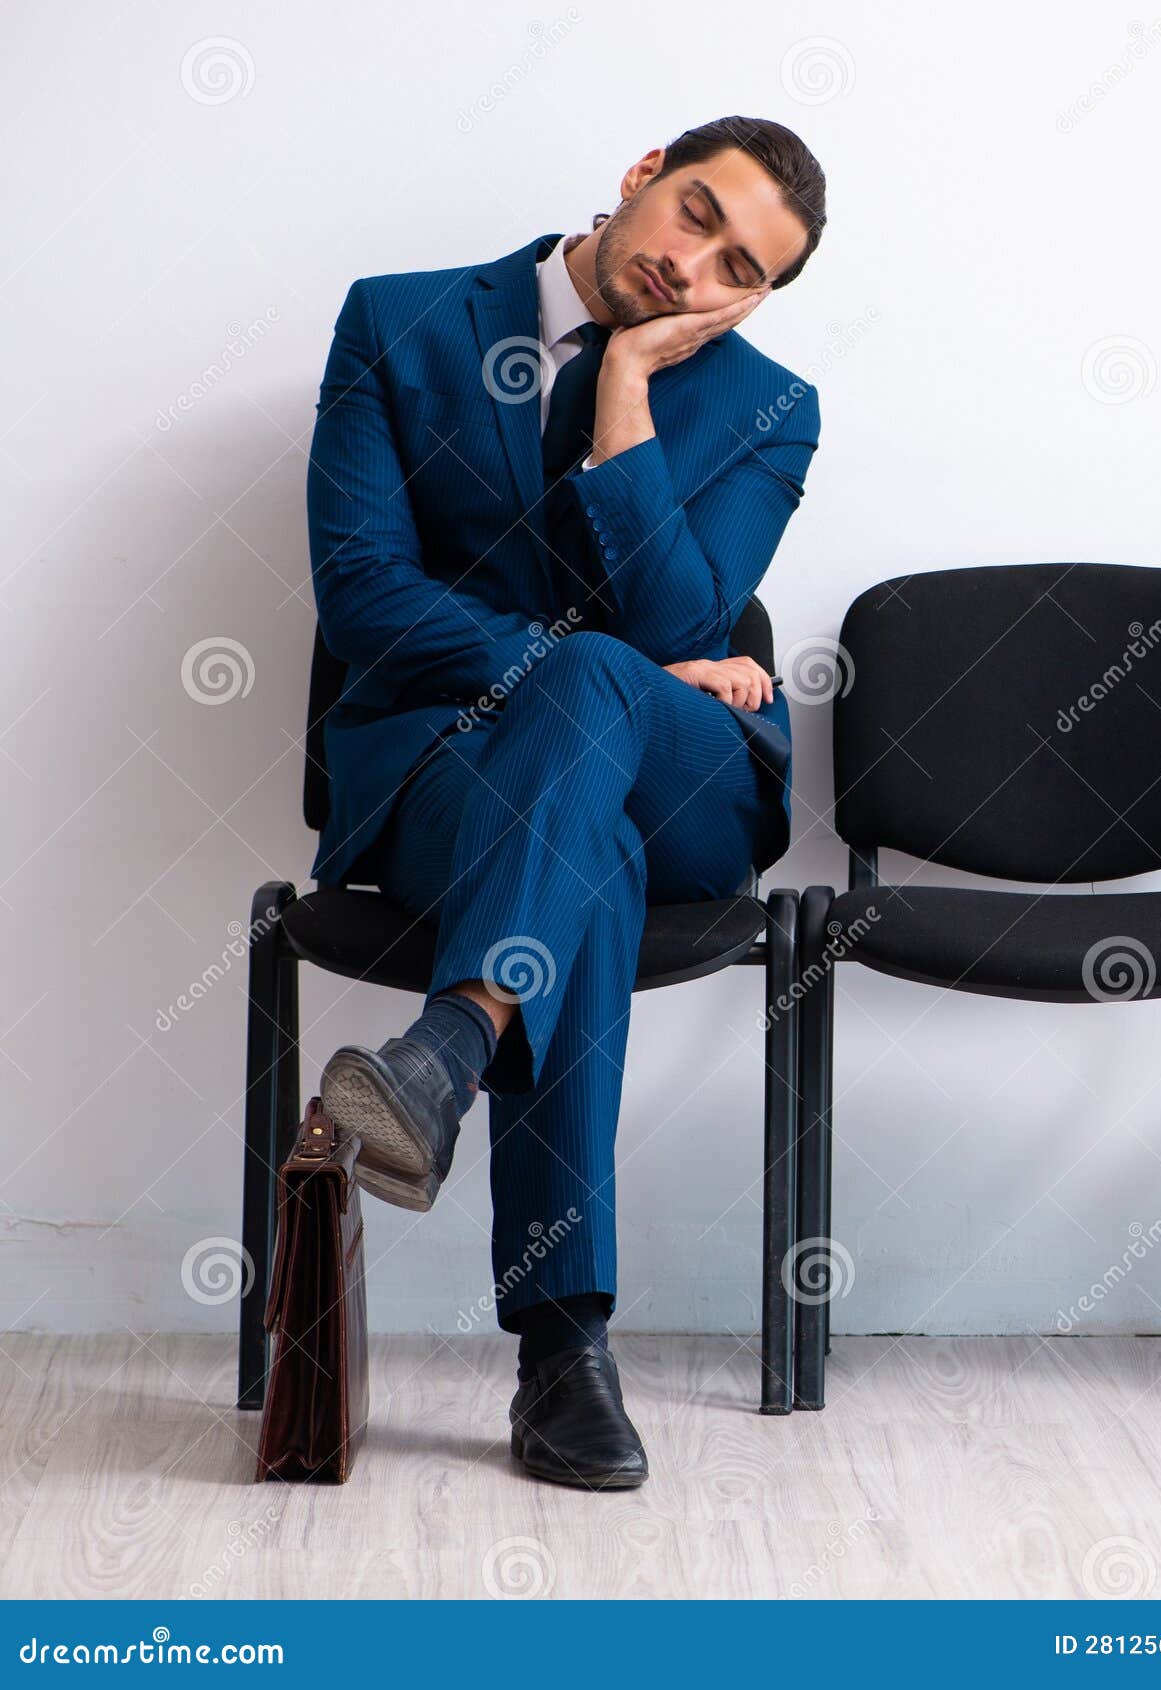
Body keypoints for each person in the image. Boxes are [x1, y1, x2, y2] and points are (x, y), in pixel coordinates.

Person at [309, 116, 825, 1488]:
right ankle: (562, 1347)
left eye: (738, 265)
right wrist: (582, 669)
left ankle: (447, 1052)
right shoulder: (399, 324)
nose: (693, 263)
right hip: (442, 769)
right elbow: (359, 596)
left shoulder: (773, 409)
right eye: (697, 213)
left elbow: (682, 617)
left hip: (690, 785)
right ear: (641, 172)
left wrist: (630, 391)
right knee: (573, 831)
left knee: (599, 726)